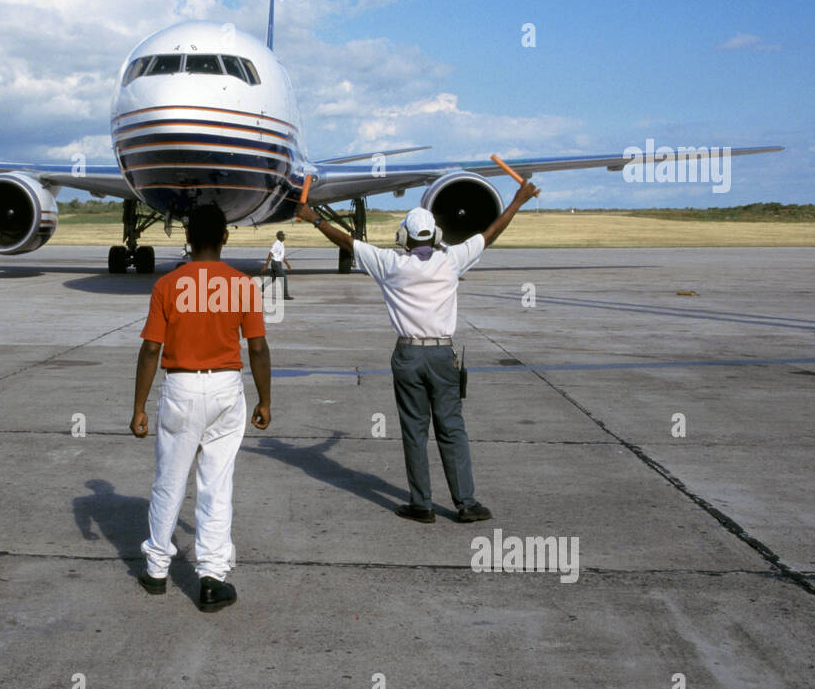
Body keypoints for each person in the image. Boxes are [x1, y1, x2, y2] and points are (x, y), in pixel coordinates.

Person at [297, 180, 539, 524]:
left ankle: (422, 504)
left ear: (403, 238)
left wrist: (314, 219)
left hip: (408, 356)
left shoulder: (389, 264)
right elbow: (490, 233)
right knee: (452, 428)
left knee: (414, 429)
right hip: (443, 355)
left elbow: (347, 241)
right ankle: (466, 503)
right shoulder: (451, 260)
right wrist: (518, 199)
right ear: (436, 236)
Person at [130, 205, 272, 612]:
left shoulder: (168, 285)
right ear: (225, 237)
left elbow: (151, 348)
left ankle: (156, 569)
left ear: (187, 238)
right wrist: (265, 399)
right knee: (216, 484)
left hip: (180, 386)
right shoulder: (243, 285)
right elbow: (257, 347)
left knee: (169, 480)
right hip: (226, 387)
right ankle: (211, 577)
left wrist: (139, 406)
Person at [263, 230, 294, 300]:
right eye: (283, 236)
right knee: (284, 277)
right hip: (275, 263)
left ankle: (259, 290)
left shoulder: (282, 243)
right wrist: (266, 265)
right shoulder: (276, 244)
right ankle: (285, 295)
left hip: (279, 263)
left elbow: (282, 256)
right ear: (280, 236)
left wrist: (287, 264)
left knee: (272, 279)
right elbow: (270, 254)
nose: (284, 237)